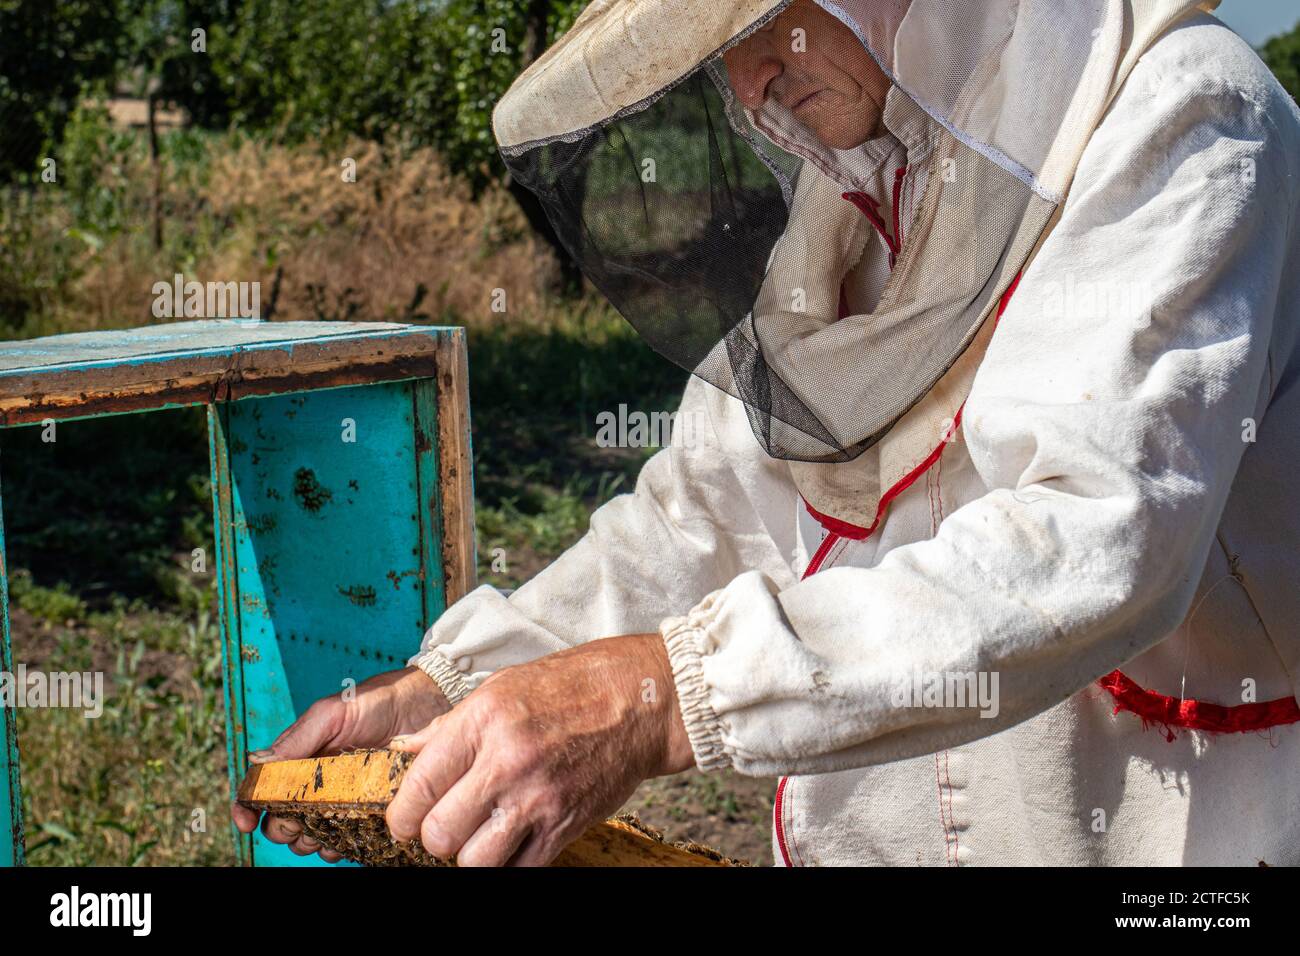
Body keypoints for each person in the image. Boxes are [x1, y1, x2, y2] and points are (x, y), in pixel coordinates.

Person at [234, 0, 1300, 865]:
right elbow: (708, 503)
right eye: (721, 48)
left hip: (1180, 825)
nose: (749, 87)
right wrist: (456, 681)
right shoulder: (852, 199)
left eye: (763, 25)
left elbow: (1094, 537)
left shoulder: (1184, 118)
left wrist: (655, 694)